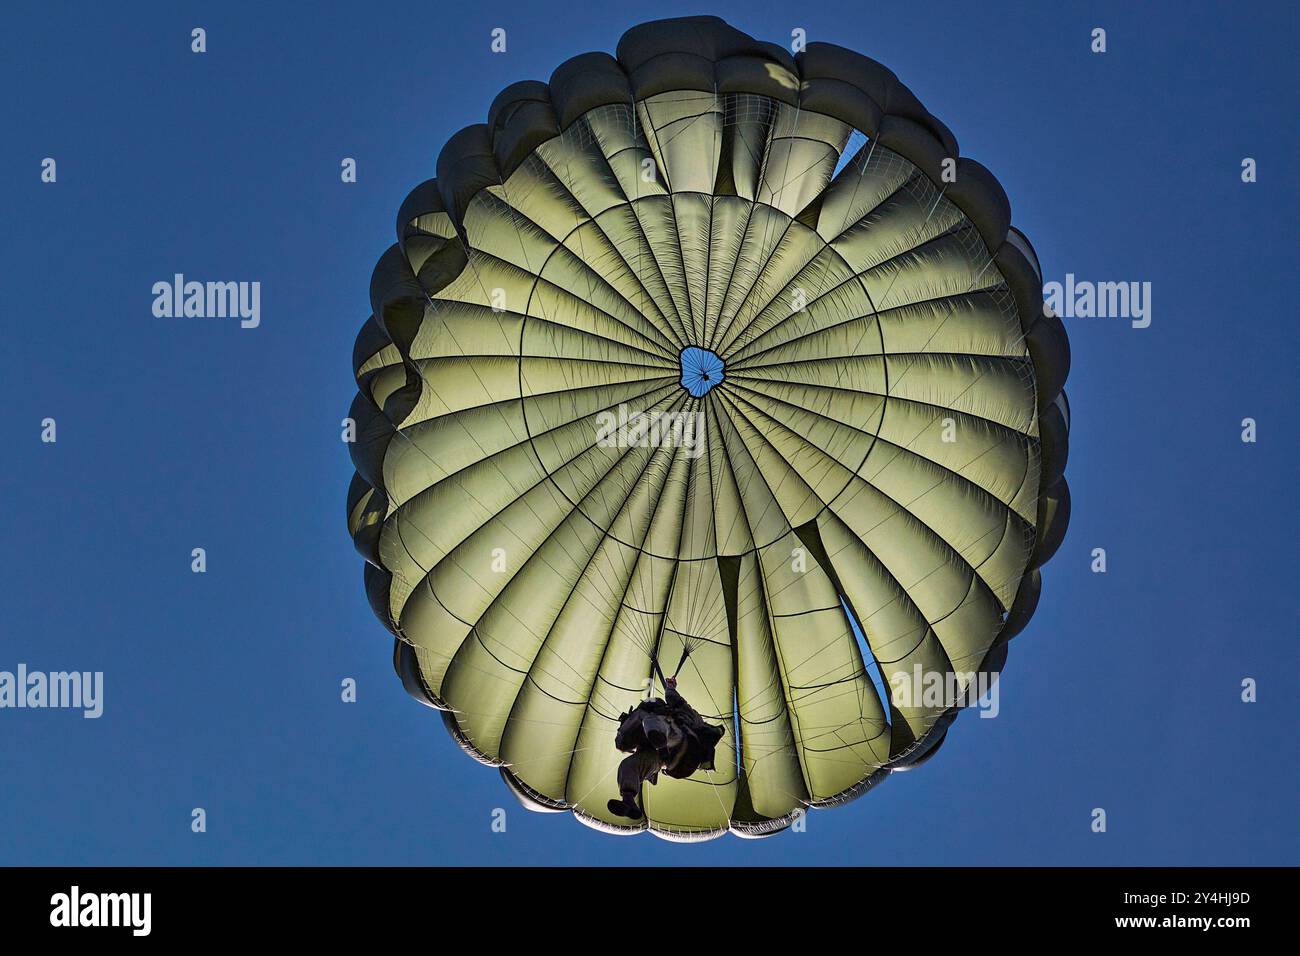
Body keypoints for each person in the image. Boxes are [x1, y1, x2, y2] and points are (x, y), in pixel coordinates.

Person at [606, 677, 726, 820]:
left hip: (682, 742)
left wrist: (670, 688)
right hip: (668, 761)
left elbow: (674, 699)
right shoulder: (649, 721)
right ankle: (628, 800)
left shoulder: (682, 715)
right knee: (628, 765)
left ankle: (660, 744)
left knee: (651, 722)